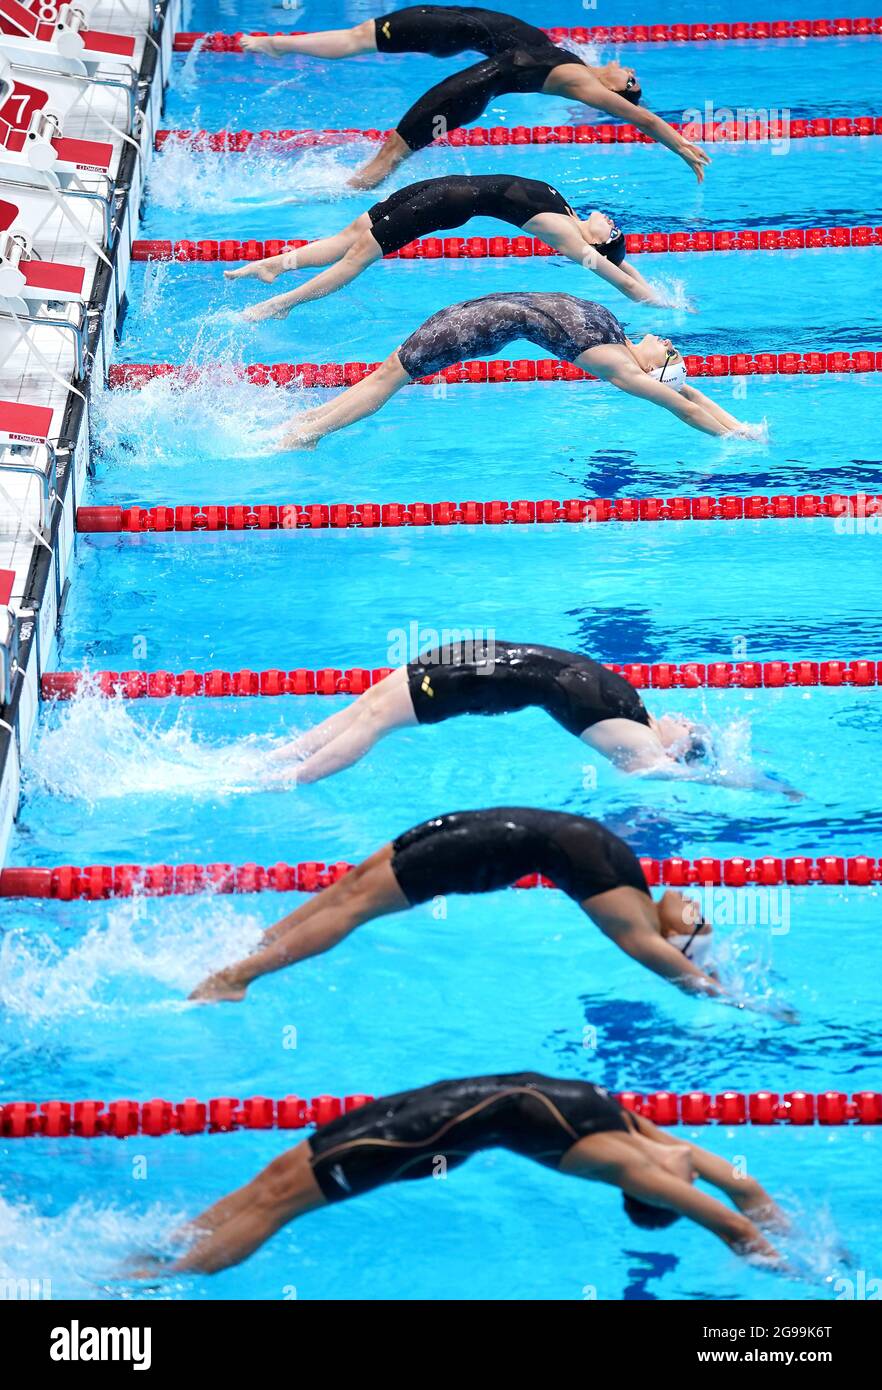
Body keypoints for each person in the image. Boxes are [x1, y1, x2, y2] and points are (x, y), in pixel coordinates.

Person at [134, 1072, 785, 1275]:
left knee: (281, 1205)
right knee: (275, 1177)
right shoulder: (648, 1137)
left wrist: (806, 1278)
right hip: (429, 1107)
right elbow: (745, 1195)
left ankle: (156, 1281)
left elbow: (732, 1227)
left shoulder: (631, 1164)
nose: (692, 1169)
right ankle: (160, 1246)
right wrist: (814, 1245)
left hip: (421, 1136)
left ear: (657, 1196)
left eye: (684, 1185)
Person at [190, 806, 726, 1003]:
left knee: (351, 887)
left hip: (470, 821)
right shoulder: (626, 911)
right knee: (354, 911)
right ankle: (239, 976)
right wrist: (721, 993)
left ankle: (258, 944)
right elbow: (651, 954)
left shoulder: (624, 864)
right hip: (477, 850)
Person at [239, 8, 710, 188]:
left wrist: (681, 144)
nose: (632, 71)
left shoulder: (584, 83)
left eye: (632, 80)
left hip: (465, 93)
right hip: (459, 42)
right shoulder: (569, 58)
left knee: (385, 161)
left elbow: (642, 121)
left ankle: (309, 196)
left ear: (617, 89)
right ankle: (278, 46)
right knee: (362, 37)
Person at [268, 640, 797, 793]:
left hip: (469, 653)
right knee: (373, 722)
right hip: (474, 677)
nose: (687, 717)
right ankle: (287, 778)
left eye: (691, 727)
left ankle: (270, 761)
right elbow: (649, 768)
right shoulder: (637, 734)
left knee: (367, 710)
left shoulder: (632, 712)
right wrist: (736, 782)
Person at [275, 293, 762, 448]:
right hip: (476, 310)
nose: (672, 345)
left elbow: (682, 403)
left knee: (390, 378)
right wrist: (737, 421)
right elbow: (689, 392)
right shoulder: (620, 339)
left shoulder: (620, 367)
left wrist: (733, 434)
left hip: (476, 327)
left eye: (671, 356)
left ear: (654, 372)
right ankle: (311, 425)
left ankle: (310, 432)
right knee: (388, 372)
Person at [227, 177, 664, 321]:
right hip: (436, 187)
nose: (611, 220)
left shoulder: (570, 238)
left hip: (446, 202)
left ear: (598, 241)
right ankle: (274, 266)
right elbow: (621, 262)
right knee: (347, 238)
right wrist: (634, 268)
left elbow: (617, 277)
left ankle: (281, 304)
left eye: (613, 229)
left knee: (357, 257)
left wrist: (660, 301)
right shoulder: (570, 213)